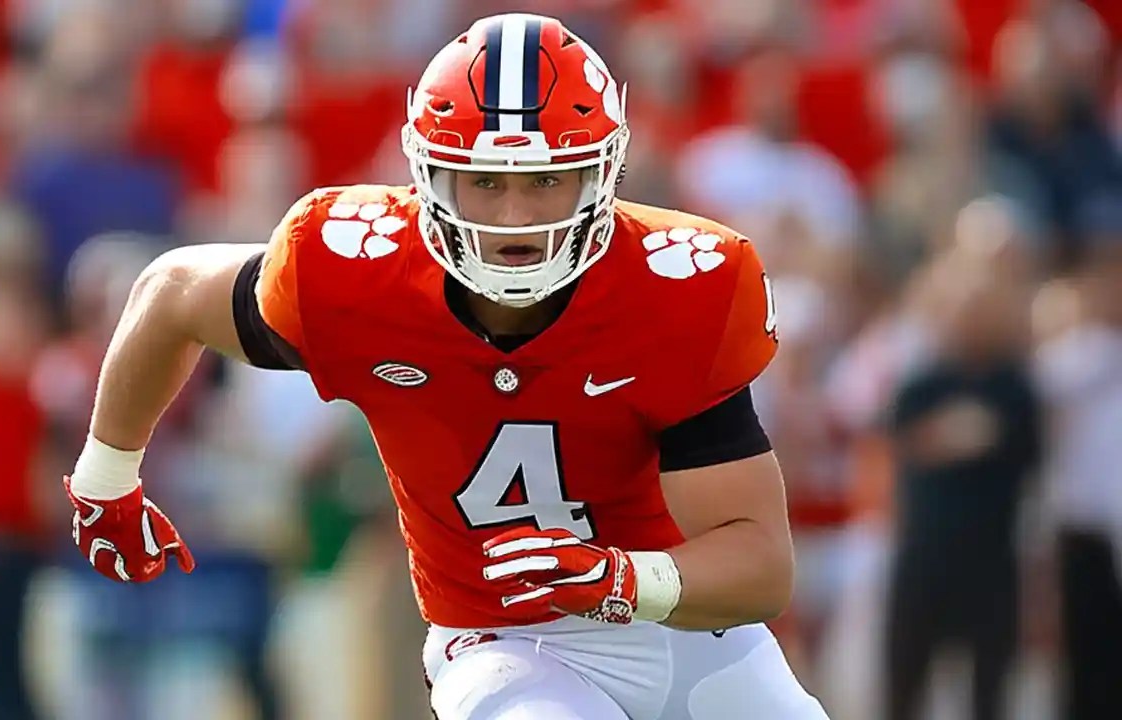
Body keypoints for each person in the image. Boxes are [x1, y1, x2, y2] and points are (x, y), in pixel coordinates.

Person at [62, 13, 828, 719]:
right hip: (500, 644)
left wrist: (624, 580)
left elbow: (761, 566)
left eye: (546, 180)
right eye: (486, 180)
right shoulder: (353, 272)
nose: (515, 219)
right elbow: (169, 295)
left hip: (673, 623)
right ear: (428, 176)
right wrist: (105, 480)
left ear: (604, 176)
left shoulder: (674, 291)